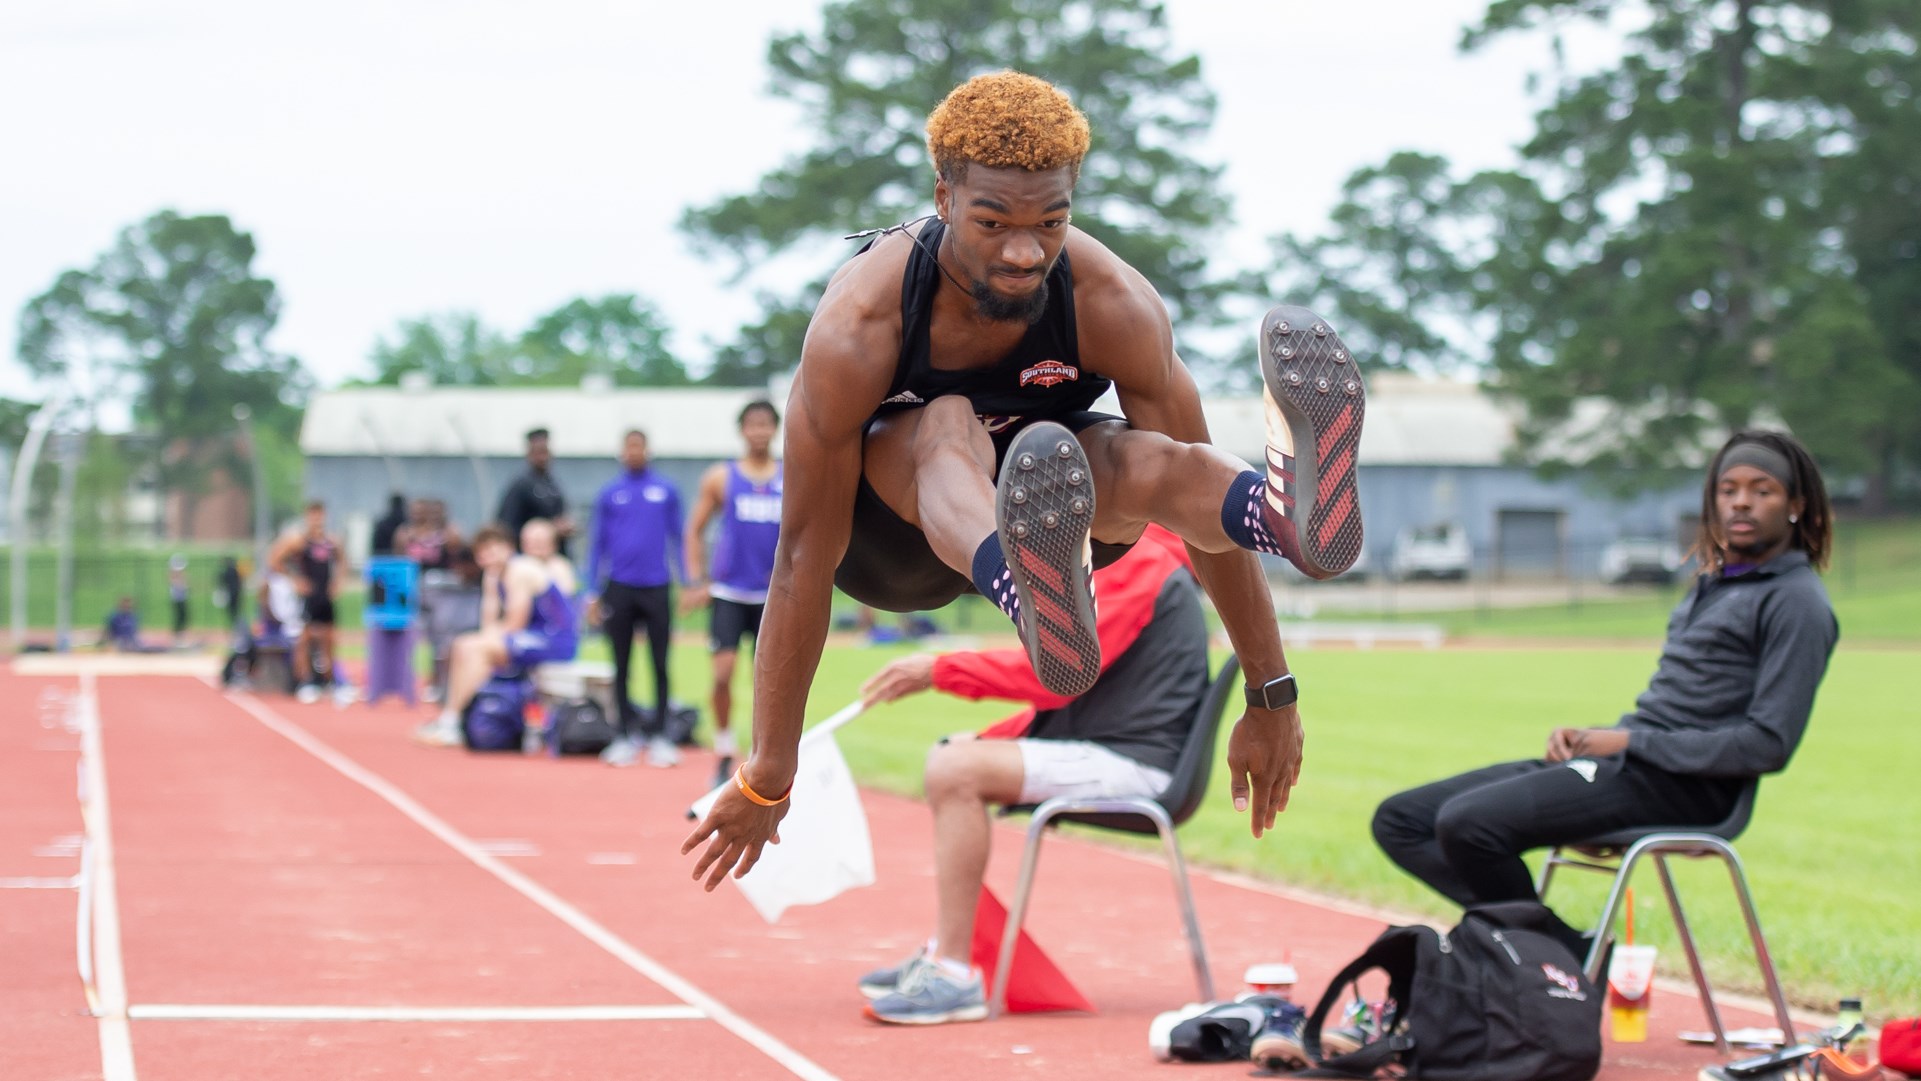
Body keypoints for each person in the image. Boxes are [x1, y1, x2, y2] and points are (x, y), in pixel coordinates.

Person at [685, 71, 1365, 889]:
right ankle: (1019, 575)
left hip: (1063, 520)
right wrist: (768, 769)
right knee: (944, 422)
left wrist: (1271, 689)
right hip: (897, 541)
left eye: (1051, 221)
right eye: (993, 221)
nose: (1022, 250)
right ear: (942, 197)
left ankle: (1276, 513)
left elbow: (1188, 508)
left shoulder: (1113, 301)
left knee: (1129, 458)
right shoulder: (860, 323)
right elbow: (800, 561)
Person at [1370, 430, 1838, 958]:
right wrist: (1593, 740)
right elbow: (1675, 705)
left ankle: (1545, 963)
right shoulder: (1714, 583)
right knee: (1402, 821)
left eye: (1762, 490)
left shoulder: (1797, 603)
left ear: (1796, 505)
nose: (1741, 502)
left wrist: (1627, 744)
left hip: (1689, 789)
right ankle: (1568, 952)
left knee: (1468, 824)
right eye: (1728, 490)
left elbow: (1766, 746)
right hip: (1631, 765)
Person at [854, 525, 1209, 1024]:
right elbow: (1077, 696)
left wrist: (938, 670)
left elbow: (1055, 675)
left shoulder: (1138, 562)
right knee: (959, 754)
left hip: (1138, 766)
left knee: (954, 769)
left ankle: (955, 971)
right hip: (1111, 748)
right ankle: (947, 948)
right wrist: (988, 741)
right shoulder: (1133, 555)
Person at [680, 400, 784, 786]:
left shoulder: (790, 475)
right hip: (728, 591)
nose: (759, 431)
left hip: (773, 595)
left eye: (765, 424)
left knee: (770, 681)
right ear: (742, 430)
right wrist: (695, 579)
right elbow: (694, 530)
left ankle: (763, 755)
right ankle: (724, 748)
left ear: (775, 429)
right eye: (752, 424)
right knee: (723, 674)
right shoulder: (721, 477)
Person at [414, 519, 580, 747]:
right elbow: (489, 622)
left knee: (477, 647)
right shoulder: (494, 575)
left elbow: (515, 623)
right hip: (530, 637)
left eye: (493, 550)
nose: (488, 557)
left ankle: (454, 719)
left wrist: (486, 640)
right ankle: (454, 717)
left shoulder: (520, 570)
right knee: (463, 644)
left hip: (554, 639)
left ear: (509, 548)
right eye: (482, 553)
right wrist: (482, 637)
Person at [585, 429, 687, 768]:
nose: (634, 452)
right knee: (621, 663)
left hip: (657, 585)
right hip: (620, 586)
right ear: (621, 452)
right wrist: (590, 590)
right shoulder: (610, 493)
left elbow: (679, 538)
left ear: (648, 450)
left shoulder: (666, 491)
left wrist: (686, 581)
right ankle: (624, 735)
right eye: (628, 446)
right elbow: (596, 544)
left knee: (660, 663)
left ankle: (660, 735)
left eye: (639, 446)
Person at [278, 501, 346, 704]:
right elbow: (276, 560)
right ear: (307, 516)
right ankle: (305, 682)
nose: (317, 519)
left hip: (325, 597)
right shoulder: (299, 541)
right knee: (304, 640)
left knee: (329, 640)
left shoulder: (331, 541)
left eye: (320, 515)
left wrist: (338, 582)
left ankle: (329, 682)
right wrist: (295, 580)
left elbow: (343, 560)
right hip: (308, 597)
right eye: (313, 515)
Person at [498, 427, 574, 558]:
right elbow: (507, 525)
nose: (542, 458)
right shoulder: (521, 485)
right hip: (530, 557)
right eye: (538, 452)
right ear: (529, 454)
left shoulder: (552, 483)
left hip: (553, 555)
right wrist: (547, 530)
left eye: (545, 452)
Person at [167, 555, 190, 646]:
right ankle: (177, 637)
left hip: (182, 598)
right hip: (177, 598)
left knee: (183, 617)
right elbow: (178, 585)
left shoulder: (181, 575)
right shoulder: (174, 576)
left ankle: (180, 636)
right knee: (178, 617)